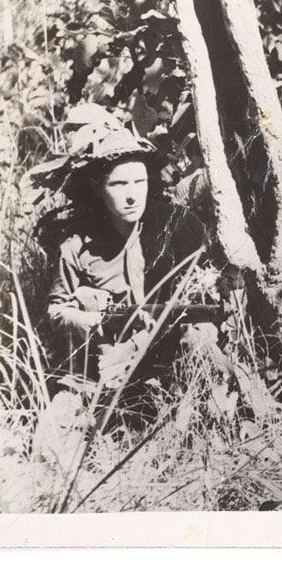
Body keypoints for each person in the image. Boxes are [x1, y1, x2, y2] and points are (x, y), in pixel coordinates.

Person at [30, 103, 207, 399]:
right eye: (119, 184)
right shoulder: (76, 244)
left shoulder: (174, 224)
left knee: (200, 335)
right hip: (104, 364)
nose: (132, 195)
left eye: (139, 182)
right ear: (97, 187)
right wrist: (88, 321)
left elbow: (208, 271)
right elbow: (56, 308)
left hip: (165, 353)